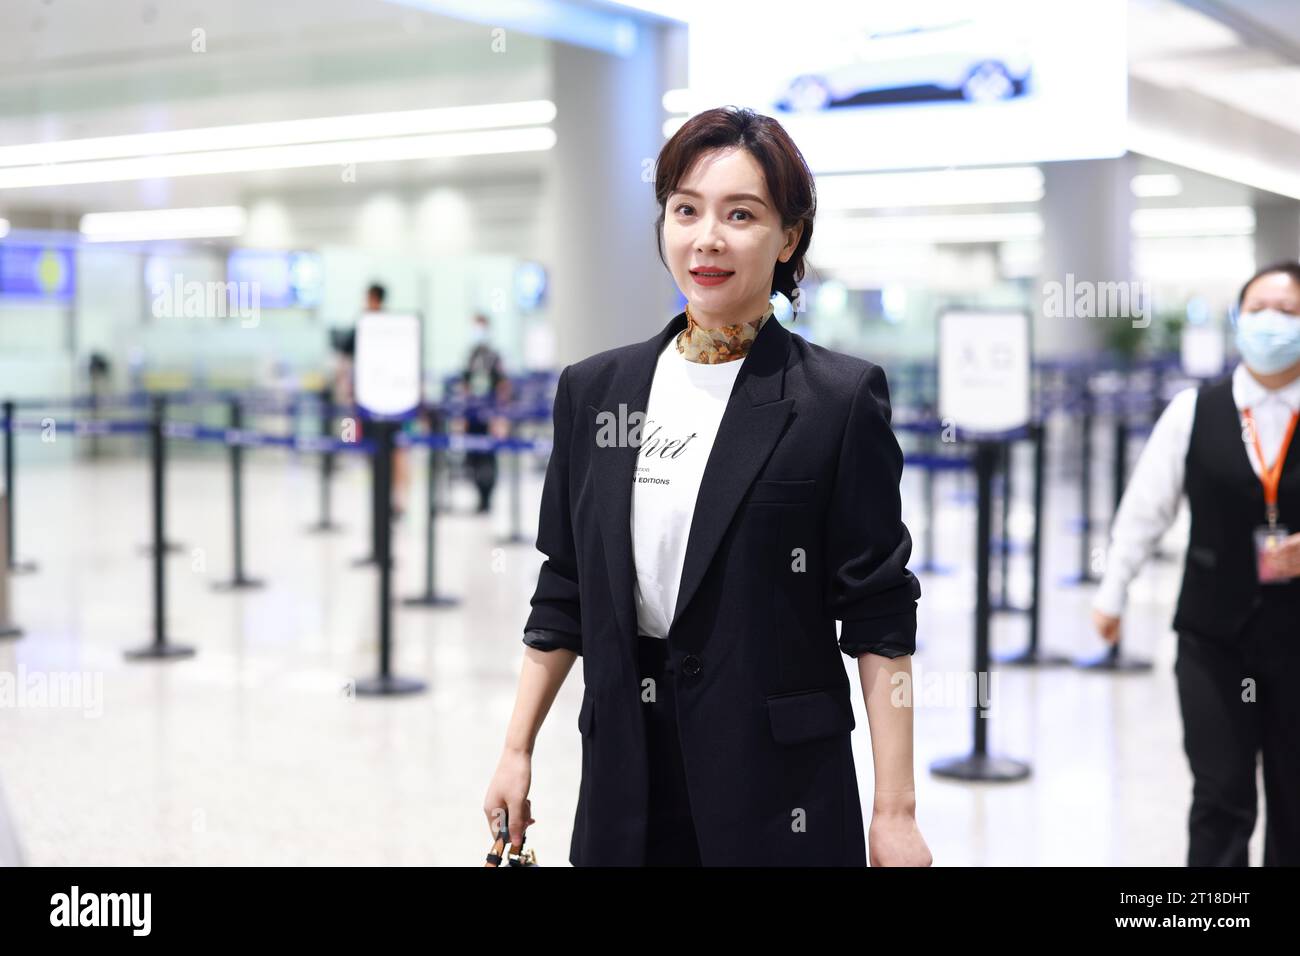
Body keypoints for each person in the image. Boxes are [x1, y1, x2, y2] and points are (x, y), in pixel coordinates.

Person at [483, 106, 931, 867]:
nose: (706, 237)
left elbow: (878, 615)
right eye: (686, 209)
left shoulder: (835, 400)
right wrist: (516, 747)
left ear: (789, 237)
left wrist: (895, 811)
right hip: (626, 769)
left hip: (779, 780)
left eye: (741, 214)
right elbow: (565, 586)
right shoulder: (598, 391)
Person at [1092, 260, 1300, 867]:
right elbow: (1145, 509)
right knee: (1221, 796)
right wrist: (1113, 592)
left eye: (1288, 312)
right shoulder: (1194, 410)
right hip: (1213, 641)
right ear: (1239, 319)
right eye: (1259, 309)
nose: (1271, 322)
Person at [460, 313, 511, 514]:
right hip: (472, 416)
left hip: (489, 415)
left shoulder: (494, 356)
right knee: (473, 457)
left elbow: (503, 386)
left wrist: (499, 416)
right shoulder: (471, 355)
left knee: (488, 459)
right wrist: (463, 415)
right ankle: (479, 497)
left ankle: (487, 497)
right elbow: (465, 385)